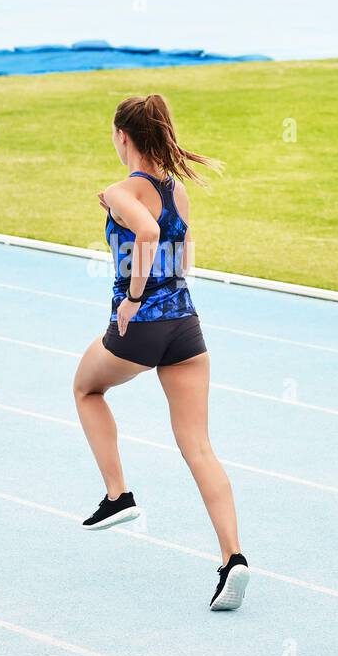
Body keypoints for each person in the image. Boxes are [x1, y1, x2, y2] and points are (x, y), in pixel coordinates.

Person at [71, 94, 249, 611]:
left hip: (142, 327)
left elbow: (146, 232)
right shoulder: (178, 194)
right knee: (199, 447)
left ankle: (117, 494)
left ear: (123, 137)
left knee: (86, 388)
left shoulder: (119, 191)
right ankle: (232, 558)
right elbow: (184, 261)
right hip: (186, 330)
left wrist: (131, 299)